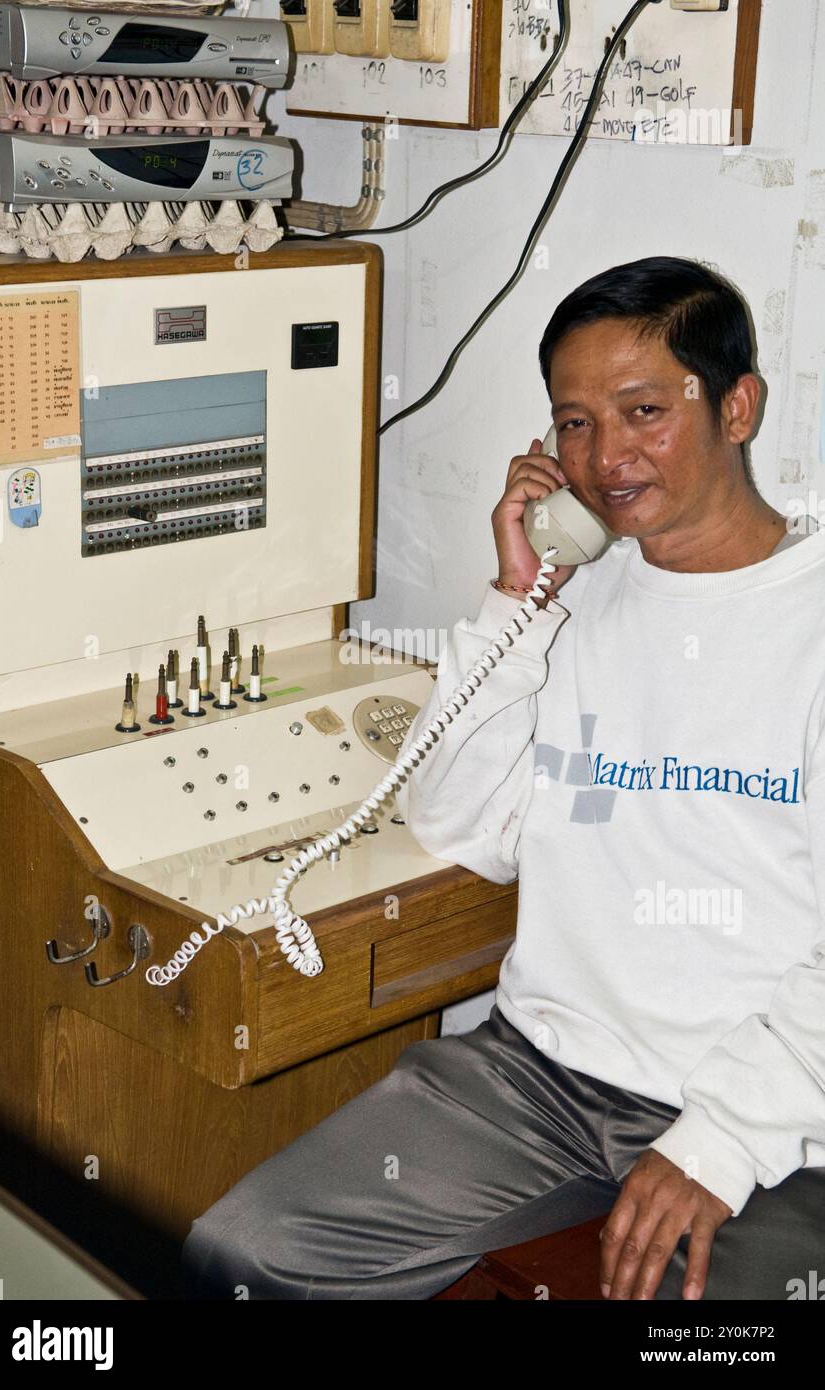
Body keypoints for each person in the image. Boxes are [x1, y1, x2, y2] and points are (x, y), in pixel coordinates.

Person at [182, 256, 825, 1300]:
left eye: (642, 411)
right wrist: (512, 601)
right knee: (246, 1251)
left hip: (775, 1118)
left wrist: (718, 1140)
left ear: (737, 406)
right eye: (573, 423)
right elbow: (458, 822)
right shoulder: (564, 610)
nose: (604, 456)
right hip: (539, 1079)